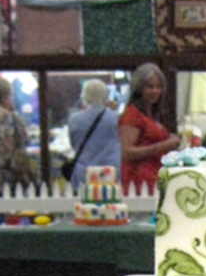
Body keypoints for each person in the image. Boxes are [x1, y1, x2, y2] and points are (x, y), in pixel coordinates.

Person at [118, 64, 180, 193]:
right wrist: (165, 145)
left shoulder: (152, 115)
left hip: (154, 181)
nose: (155, 91)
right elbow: (126, 152)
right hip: (138, 186)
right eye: (150, 87)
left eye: (158, 87)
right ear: (139, 88)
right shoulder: (132, 115)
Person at [67, 79, 120, 185]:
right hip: (111, 171)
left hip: (84, 173)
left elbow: (74, 144)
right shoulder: (116, 118)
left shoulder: (74, 119)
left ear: (84, 95)